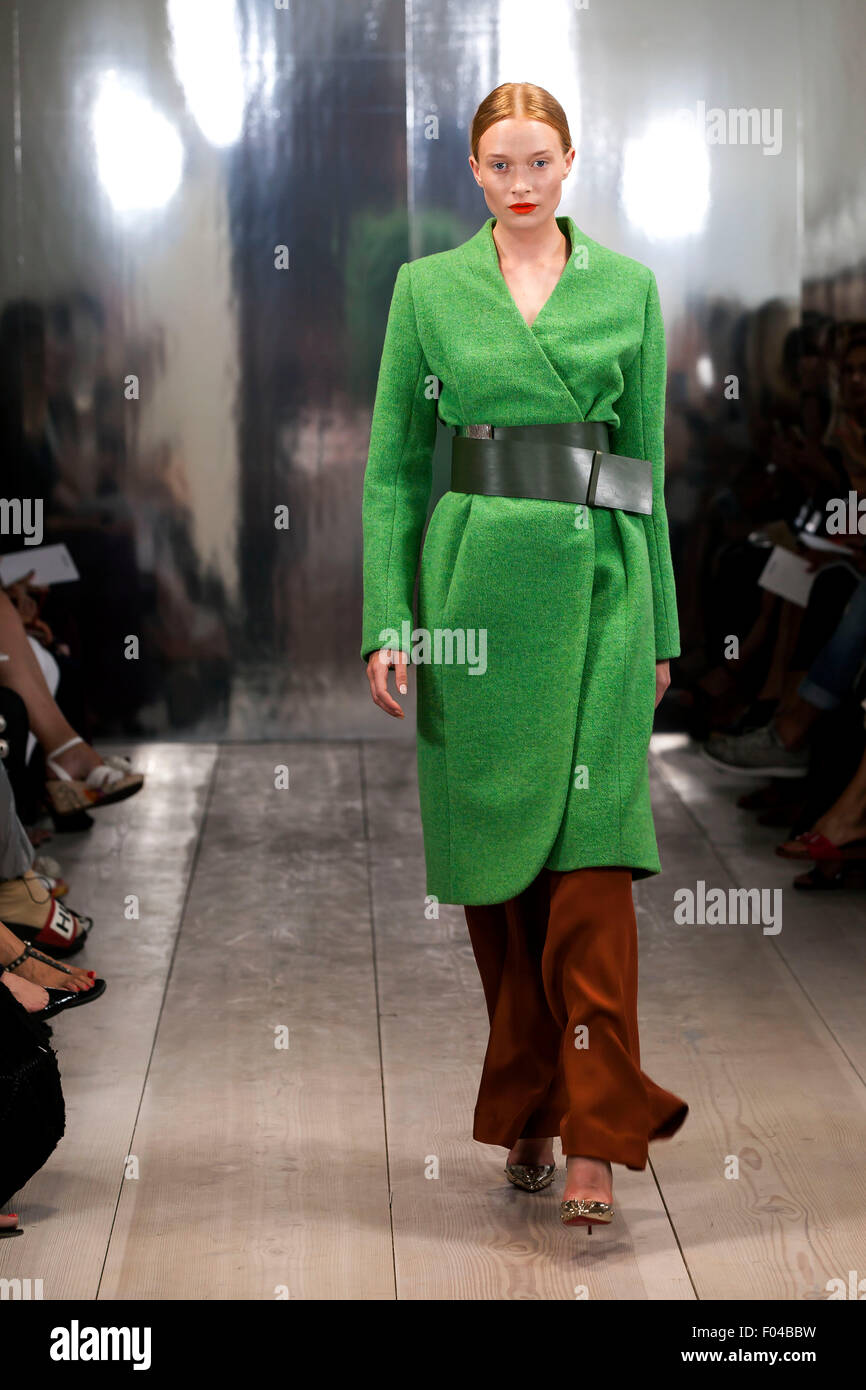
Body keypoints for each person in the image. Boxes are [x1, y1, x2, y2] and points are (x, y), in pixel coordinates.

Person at [360, 82, 688, 1232]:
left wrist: (665, 626)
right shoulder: (427, 290)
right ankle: (532, 1107)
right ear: (471, 169)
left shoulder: (628, 291)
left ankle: (596, 1139)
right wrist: (388, 620)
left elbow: (642, 469)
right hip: (470, 602)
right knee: (499, 890)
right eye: (498, 164)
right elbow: (397, 469)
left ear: (568, 162)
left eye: (537, 161)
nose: (519, 182)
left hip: (598, 593)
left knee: (591, 877)